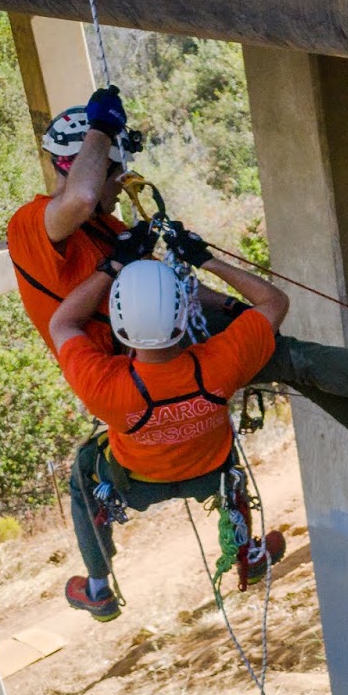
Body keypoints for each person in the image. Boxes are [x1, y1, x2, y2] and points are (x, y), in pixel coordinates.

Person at [7, 86, 348, 440]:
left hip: (156, 343)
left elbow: (172, 293)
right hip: (123, 372)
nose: (122, 187)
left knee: (277, 346)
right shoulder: (30, 226)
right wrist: (102, 126)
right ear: (74, 168)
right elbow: (84, 195)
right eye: (117, 176)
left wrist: (236, 311)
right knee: (286, 356)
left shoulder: (110, 231)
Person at [53, 243, 288, 620]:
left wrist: (112, 266)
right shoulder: (222, 362)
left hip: (135, 483)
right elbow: (274, 301)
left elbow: (62, 323)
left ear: (118, 321)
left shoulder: (105, 386)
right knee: (230, 463)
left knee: (84, 468)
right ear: (183, 312)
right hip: (208, 475)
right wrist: (205, 259)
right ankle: (246, 554)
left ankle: (98, 586)